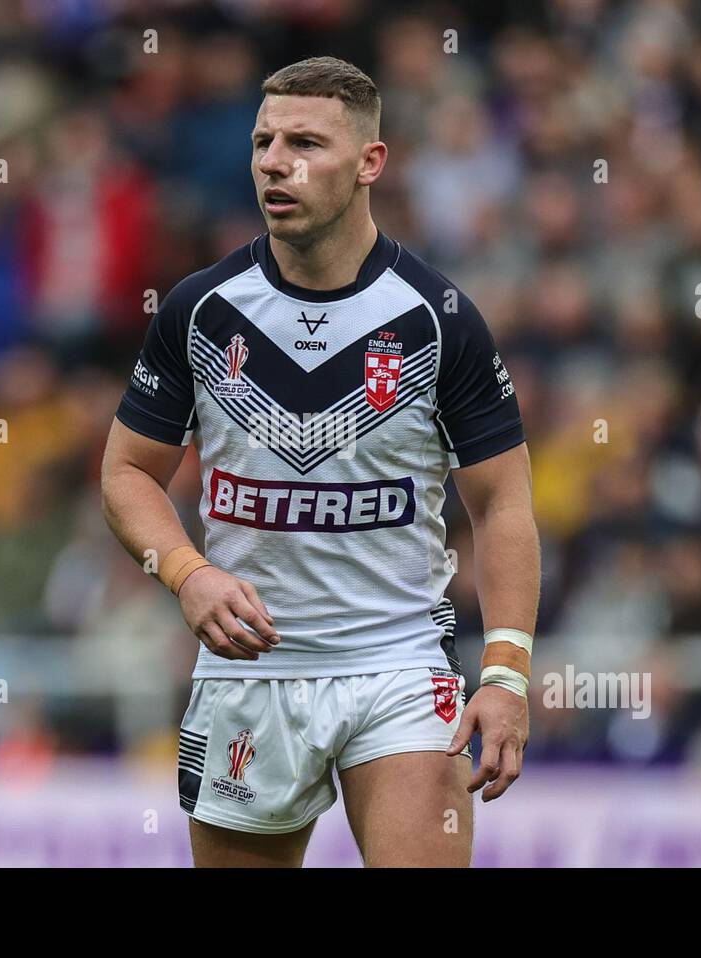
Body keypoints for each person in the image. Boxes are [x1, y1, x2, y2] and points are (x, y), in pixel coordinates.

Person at [100, 56, 540, 867]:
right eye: (264, 141)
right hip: (251, 671)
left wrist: (507, 672)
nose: (275, 161)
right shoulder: (202, 309)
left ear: (370, 162)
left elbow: (504, 503)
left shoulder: (438, 320)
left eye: (305, 142)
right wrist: (189, 574)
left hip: (399, 663)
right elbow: (127, 473)